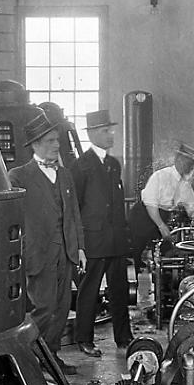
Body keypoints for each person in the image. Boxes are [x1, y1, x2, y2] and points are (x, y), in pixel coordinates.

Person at [9, 109, 86, 374]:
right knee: (44, 307)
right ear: (36, 144)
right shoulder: (18, 176)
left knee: (62, 308)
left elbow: (74, 213)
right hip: (38, 253)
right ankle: (27, 357)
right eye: (52, 141)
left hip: (66, 253)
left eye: (57, 140)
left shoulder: (65, 176)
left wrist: (80, 248)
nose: (57, 145)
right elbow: (13, 221)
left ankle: (51, 358)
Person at [70, 109, 132, 358]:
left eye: (111, 129)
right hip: (93, 241)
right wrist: (80, 244)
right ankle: (84, 339)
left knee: (120, 290)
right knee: (89, 291)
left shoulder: (114, 164)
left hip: (115, 240)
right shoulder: (81, 166)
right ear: (93, 133)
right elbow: (75, 207)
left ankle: (124, 337)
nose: (111, 134)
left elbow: (117, 205)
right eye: (106, 131)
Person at [129, 142, 194, 259]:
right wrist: (161, 225)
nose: (192, 167)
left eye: (193, 164)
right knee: (141, 251)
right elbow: (150, 204)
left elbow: (192, 209)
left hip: (163, 214)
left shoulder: (185, 185)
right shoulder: (160, 176)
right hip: (144, 215)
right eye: (190, 163)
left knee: (167, 252)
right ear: (180, 161)